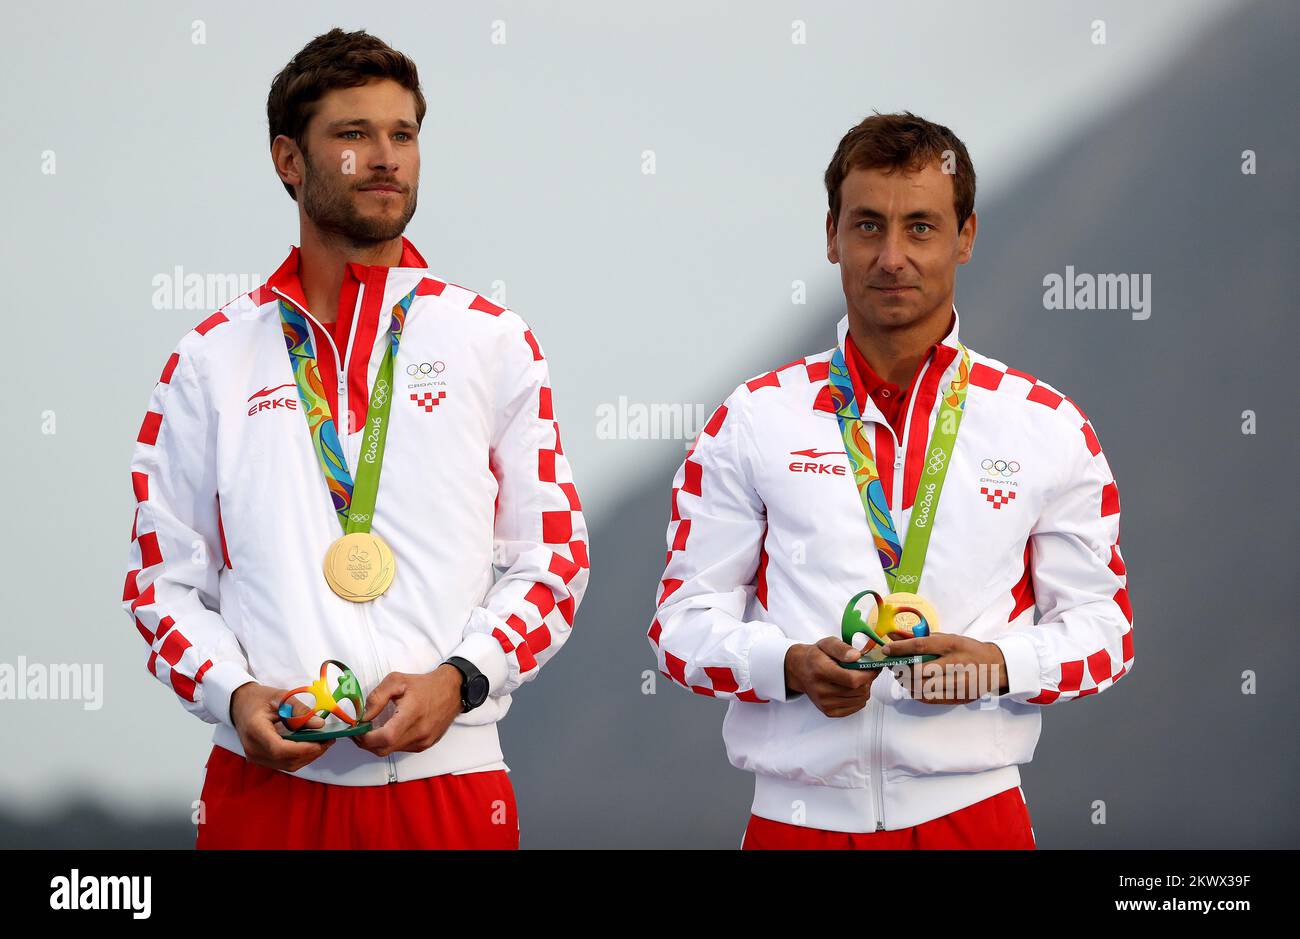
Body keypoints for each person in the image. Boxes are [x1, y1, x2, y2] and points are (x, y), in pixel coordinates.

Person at [122, 28, 590, 849]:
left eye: (402, 135)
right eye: (353, 134)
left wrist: (462, 679)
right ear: (288, 161)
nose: (385, 157)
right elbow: (160, 581)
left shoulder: (491, 340)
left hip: (450, 786)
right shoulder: (209, 360)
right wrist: (233, 693)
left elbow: (553, 559)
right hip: (265, 787)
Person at [647, 111, 1133, 849]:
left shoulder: (1045, 425)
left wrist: (1001, 665)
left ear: (965, 236)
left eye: (921, 227)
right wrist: (787, 665)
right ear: (833, 234)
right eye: (869, 226)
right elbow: (680, 625)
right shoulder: (754, 419)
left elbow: (1106, 630)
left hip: (975, 817)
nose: (892, 256)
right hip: (796, 819)